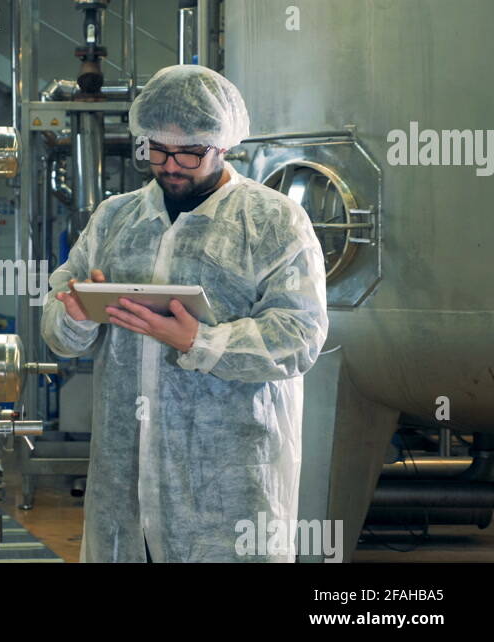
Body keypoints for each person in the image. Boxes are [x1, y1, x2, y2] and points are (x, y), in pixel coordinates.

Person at [40, 65, 329, 562]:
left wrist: (200, 342)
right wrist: (76, 317)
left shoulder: (273, 220)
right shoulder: (115, 218)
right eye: (157, 149)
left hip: (229, 483)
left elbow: (299, 336)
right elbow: (60, 324)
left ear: (224, 145)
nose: (170, 165)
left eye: (190, 152)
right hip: (124, 479)